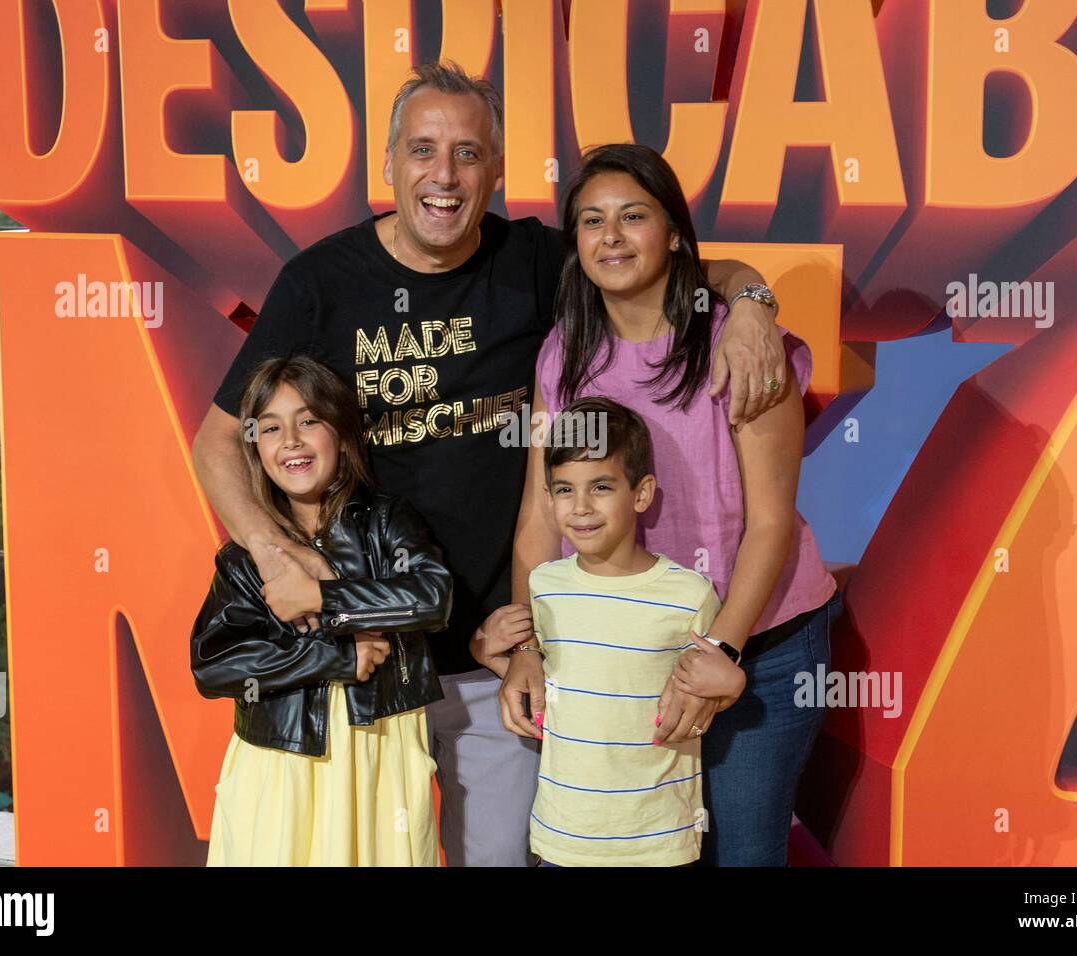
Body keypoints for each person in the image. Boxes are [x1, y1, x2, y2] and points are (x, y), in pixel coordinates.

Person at [192, 60, 788, 867]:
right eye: (423, 149)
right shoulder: (320, 284)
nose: (445, 174)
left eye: (468, 153)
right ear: (390, 164)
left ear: (498, 169)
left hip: (495, 657)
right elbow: (218, 438)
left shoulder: (533, 261)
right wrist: (276, 557)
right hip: (361, 658)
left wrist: (750, 299)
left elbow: (651, 261)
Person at [496, 143, 842, 866]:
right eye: (592, 221)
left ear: (676, 233)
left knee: (743, 853)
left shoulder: (740, 342)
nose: (612, 236)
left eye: (633, 216)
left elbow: (771, 519)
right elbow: (538, 512)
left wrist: (719, 650)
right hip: (621, 656)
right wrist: (528, 645)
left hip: (759, 644)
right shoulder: (564, 354)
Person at [190, 355, 452, 866]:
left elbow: (430, 597)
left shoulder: (386, 522)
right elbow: (214, 664)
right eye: (271, 427)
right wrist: (334, 659)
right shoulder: (248, 554)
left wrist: (325, 601)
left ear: (342, 433)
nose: (291, 439)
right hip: (280, 759)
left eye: (308, 420)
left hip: (380, 748)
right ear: (255, 448)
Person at [512, 397, 726, 866]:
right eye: (564, 489)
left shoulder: (690, 595)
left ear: (642, 493)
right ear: (548, 498)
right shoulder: (543, 586)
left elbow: (716, 692)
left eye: (602, 486)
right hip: (563, 838)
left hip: (658, 842)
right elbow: (518, 663)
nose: (581, 507)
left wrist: (735, 682)